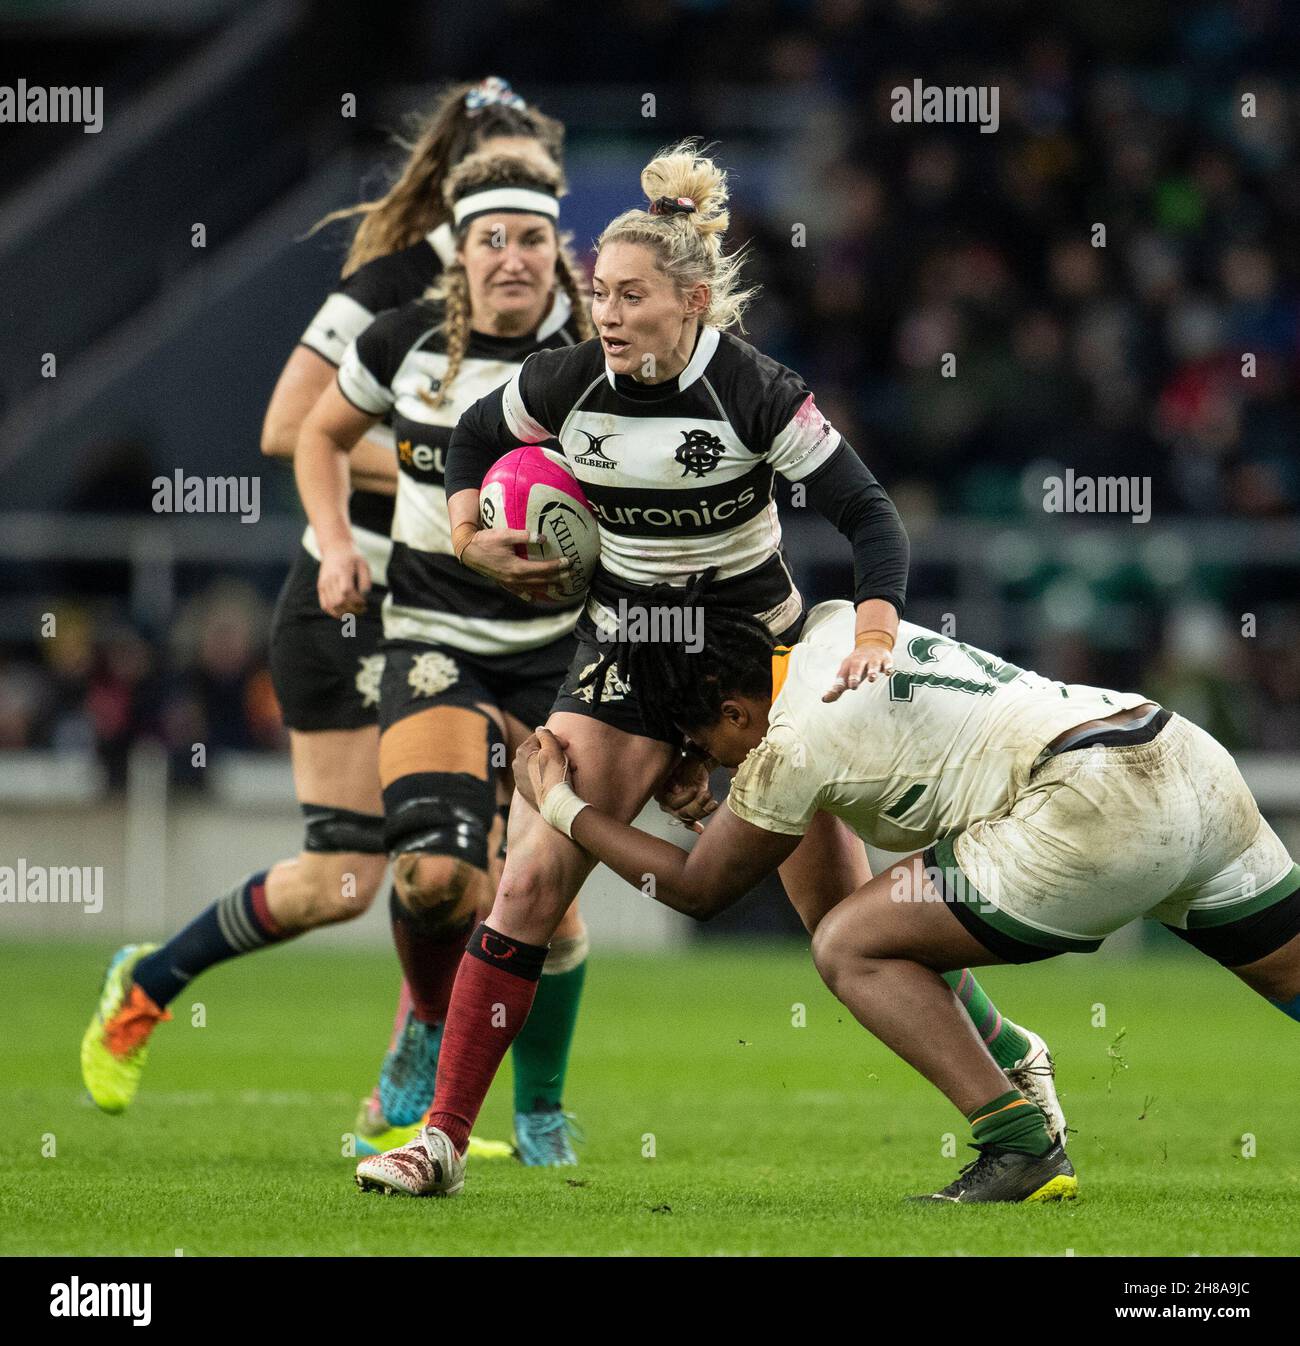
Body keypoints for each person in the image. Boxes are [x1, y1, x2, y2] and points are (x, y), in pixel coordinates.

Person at [354, 142, 1060, 1198]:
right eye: (598, 293)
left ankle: (1011, 1059)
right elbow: (466, 437)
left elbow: (870, 516)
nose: (606, 312)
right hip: (627, 655)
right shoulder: (566, 380)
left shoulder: (754, 388)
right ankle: (439, 1139)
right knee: (534, 874)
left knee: (841, 920)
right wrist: (466, 533)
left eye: (630, 296)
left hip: (755, 662)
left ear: (691, 302)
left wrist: (869, 634)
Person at [78, 80, 563, 1161]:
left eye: (538, 188)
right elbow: (290, 426)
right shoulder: (393, 290)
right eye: (499, 179)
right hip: (356, 601)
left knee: (461, 867)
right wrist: (470, 471)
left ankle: (426, 1102)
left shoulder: (566, 303)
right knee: (342, 881)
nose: (518, 207)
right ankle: (148, 980)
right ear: (455, 183)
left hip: (476, 619)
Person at [514, 592, 1300, 1202]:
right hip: (1177, 751)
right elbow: (770, 758)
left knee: (851, 942)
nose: (715, 764)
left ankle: (1018, 1142)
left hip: (1085, 808)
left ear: (731, 709)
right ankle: (1013, 1062)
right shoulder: (834, 629)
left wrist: (562, 809)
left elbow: (696, 887)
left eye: (706, 744)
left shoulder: (790, 743)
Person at [295, 148, 595, 1165]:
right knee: (431, 880)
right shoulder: (402, 340)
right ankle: (425, 1023)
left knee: (544, 905)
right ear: (459, 254)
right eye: (490, 239)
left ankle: (540, 1108)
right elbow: (316, 436)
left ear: (561, 251)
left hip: (564, 653)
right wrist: (338, 544)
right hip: (430, 635)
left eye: (532, 238)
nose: (512, 257)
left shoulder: (604, 351)